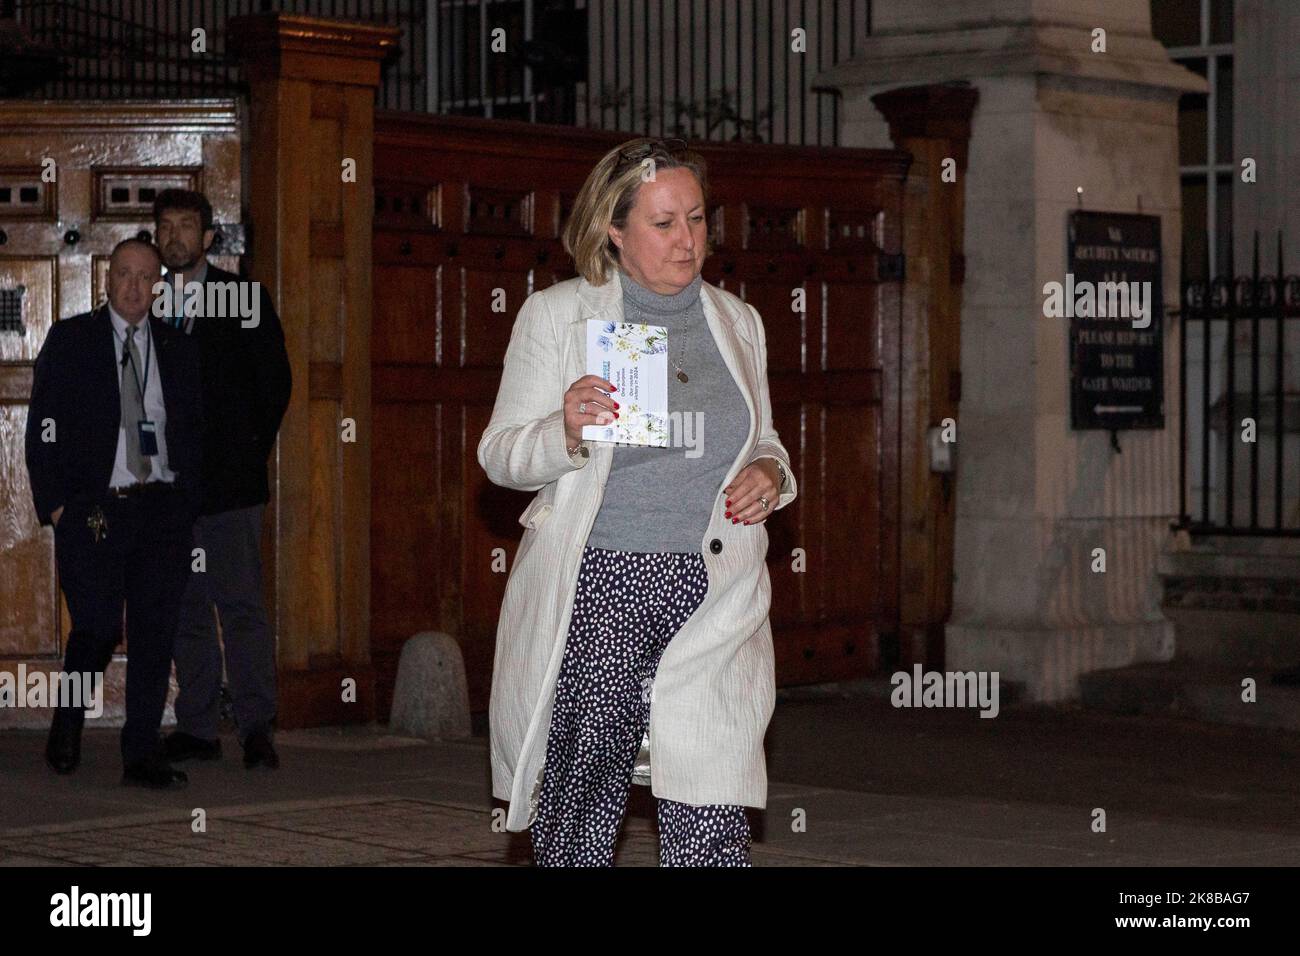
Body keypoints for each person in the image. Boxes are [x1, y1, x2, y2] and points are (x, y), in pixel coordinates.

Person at [478, 137, 798, 866]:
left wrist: (772, 475)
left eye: (696, 219)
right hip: (604, 581)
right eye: (663, 223)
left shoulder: (737, 321)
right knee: (583, 798)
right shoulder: (559, 317)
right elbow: (499, 454)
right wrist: (562, 428)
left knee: (712, 795)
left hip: (715, 586)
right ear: (613, 232)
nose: (687, 240)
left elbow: (765, 438)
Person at [26, 238, 202, 789]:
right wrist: (56, 507)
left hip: (161, 511)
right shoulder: (72, 340)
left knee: (154, 633)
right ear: (106, 280)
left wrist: (188, 499)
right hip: (94, 511)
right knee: (98, 627)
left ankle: (142, 754)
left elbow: (196, 429)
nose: (132, 286)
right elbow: (42, 428)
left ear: (158, 285)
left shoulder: (176, 347)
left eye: (144, 276)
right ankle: (69, 718)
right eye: (123, 274)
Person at [151, 188, 292, 771]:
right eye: (167, 227)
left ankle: (257, 725)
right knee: (184, 607)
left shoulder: (243, 298)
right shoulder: (149, 302)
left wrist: (243, 451)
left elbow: (274, 386)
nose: (176, 236)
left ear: (208, 238)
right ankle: (199, 726)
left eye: (188, 226)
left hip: (231, 487)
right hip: (170, 490)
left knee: (240, 606)